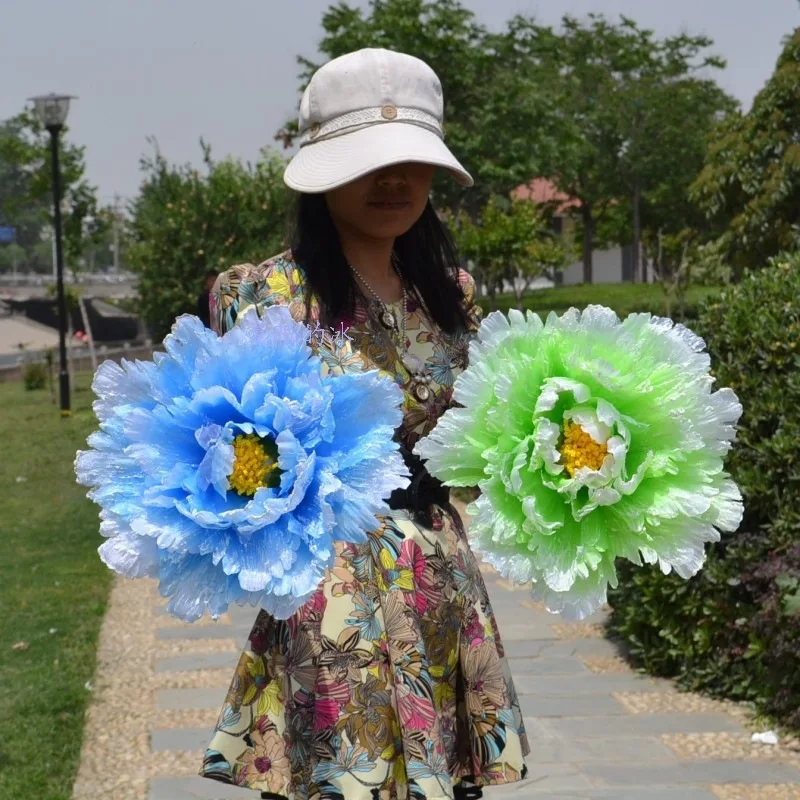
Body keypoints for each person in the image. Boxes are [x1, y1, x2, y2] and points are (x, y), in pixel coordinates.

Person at [200, 48, 530, 800]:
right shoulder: (262, 294)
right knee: (344, 777)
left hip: (439, 578)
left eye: (413, 162)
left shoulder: (452, 293)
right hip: (330, 586)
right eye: (371, 162)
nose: (395, 182)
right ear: (323, 169)